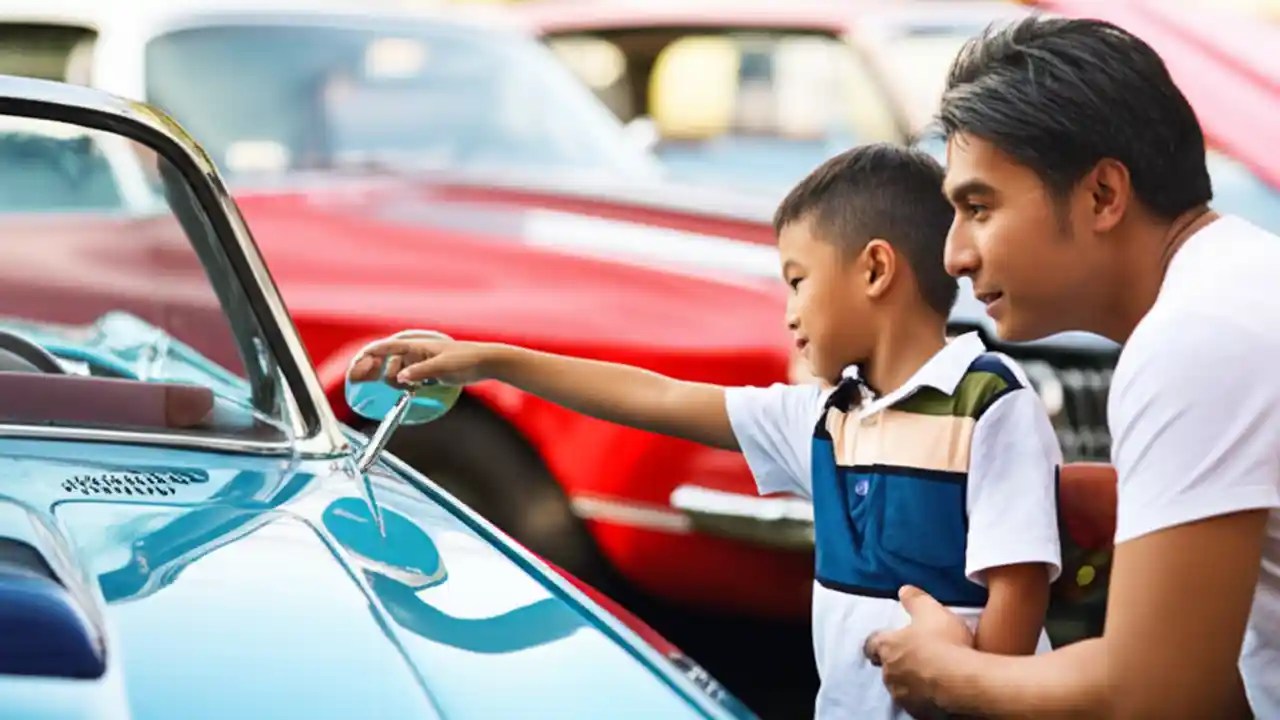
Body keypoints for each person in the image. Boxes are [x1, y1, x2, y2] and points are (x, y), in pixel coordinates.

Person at [348, 144, 1064, 719]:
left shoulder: (988, 405)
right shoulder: (825, 416)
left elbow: (1019, 589)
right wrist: (492, 359)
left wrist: (973, 695)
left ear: (875, 269)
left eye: (797, 280)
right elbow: (656, 398)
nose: (789, 313)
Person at [863, 15, 1280, 720]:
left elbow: (1157, 695)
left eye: (979, 207)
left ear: (1102, 196)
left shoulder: (1194, 338)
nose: (955, 256)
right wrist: (1144, 506)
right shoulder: (1240, 279)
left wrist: (945, 673)